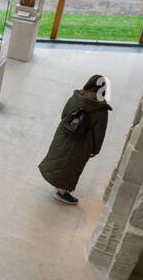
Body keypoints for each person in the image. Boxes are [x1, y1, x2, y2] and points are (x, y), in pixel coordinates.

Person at [38, 74, 112, 205]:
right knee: (72, 166)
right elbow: (99, 132)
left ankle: (58, 183)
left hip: (64, 134)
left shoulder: (76, 97)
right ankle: (62, 192)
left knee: (59, 158)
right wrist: (95, 149)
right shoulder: (101, 109)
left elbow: (64, 114)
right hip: (82, 143)